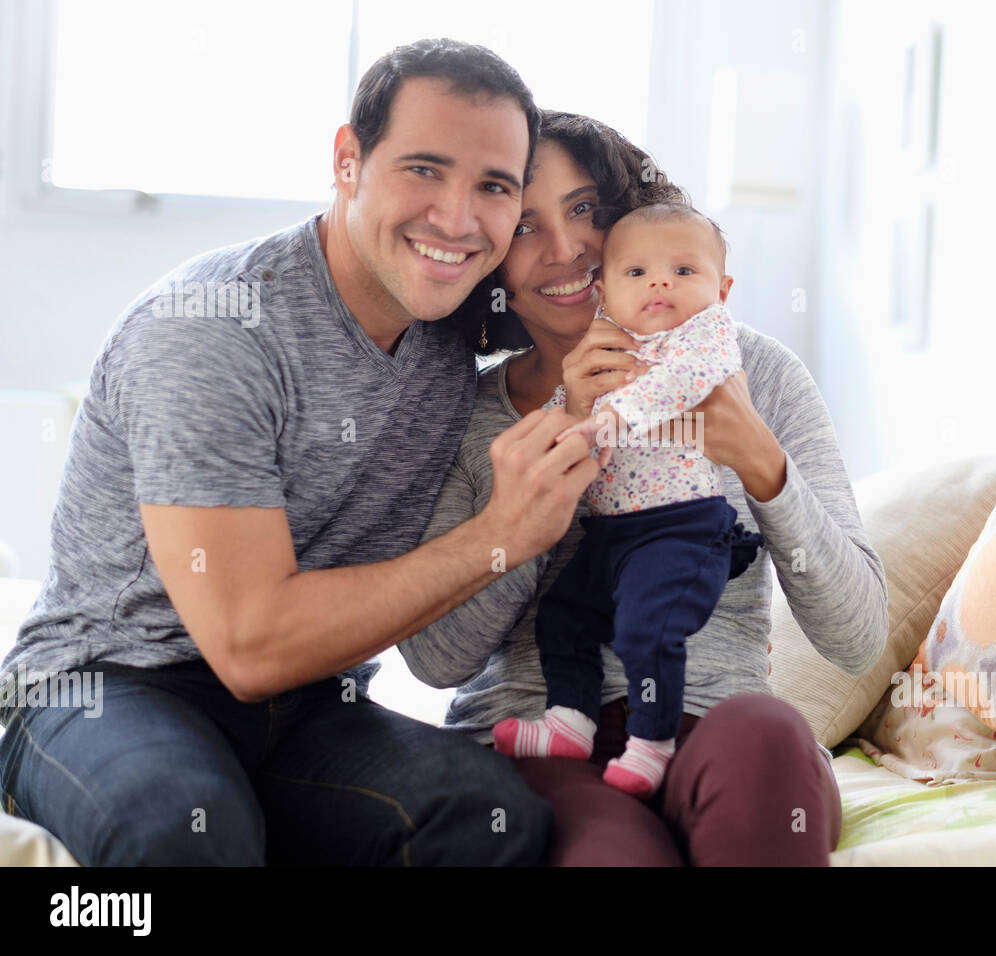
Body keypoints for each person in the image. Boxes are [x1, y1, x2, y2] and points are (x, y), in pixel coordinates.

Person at [0, 39, 593, 866]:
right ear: (348, 161)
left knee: (491, 818)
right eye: (423, 169)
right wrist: (506, 533)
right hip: (112, 681)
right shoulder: (210, 331)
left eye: (493, 187)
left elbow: (608, 289)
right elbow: (249, 644)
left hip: (311, 701)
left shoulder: (468, 315)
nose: (457, 221)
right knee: (186, 834)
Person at [400, 111, 890, 865]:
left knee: (767, 736)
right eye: (525, 226)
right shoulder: (469, 414)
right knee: (610, 853)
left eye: (585, 210)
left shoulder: (760, 377)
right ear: (490, 255)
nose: (563, 250)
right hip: (547, 745)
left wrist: (763, 464)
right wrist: (550, 470)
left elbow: (856, 639)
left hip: (721, 731)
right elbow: (436, 662)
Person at [492, 203, 767, 799]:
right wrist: (570, 412)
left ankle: (651, 743)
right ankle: (571, 722)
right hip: (611, 533)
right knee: (563, 615)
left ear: (721, 290)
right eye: (637, 273)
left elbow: (688, 380)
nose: (660, 283)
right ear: (603, 293)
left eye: (684, 271)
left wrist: (609, 419)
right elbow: (562, 430)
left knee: (648, 629)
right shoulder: (605, 349)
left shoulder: (706, 336)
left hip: (682, 529)